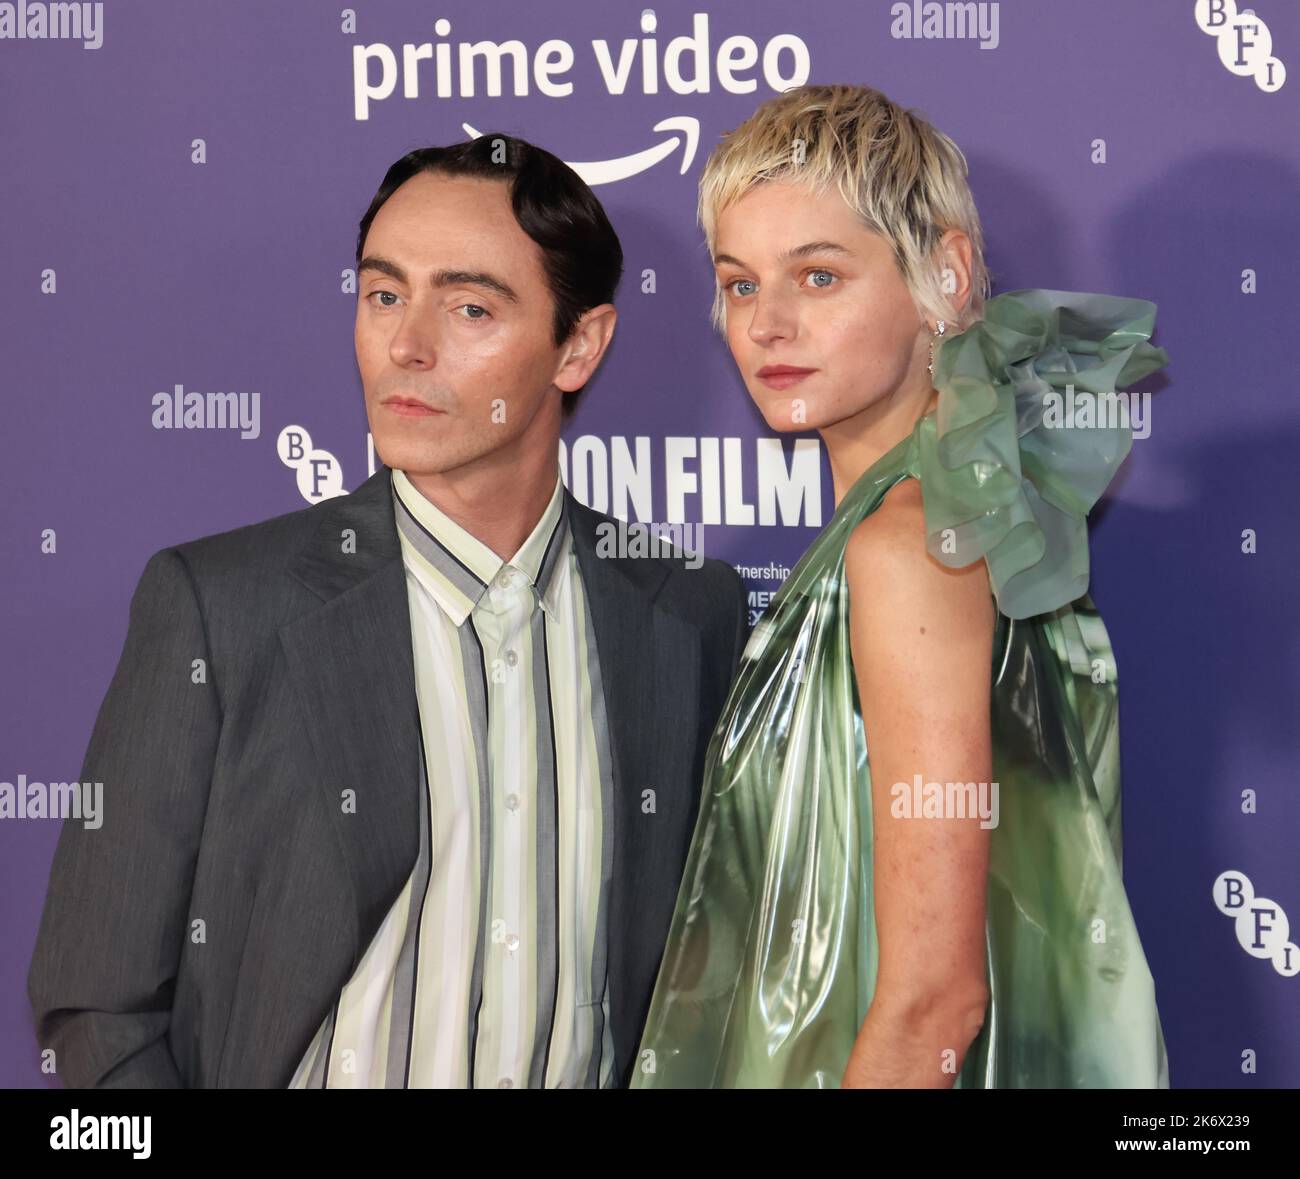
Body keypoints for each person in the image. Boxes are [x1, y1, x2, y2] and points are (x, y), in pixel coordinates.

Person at [27, 133, 748, 1088]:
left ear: (579, 345)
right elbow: (97, 1001)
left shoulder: (685, 616)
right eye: (382, 294)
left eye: (469, 307)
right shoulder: (221, 609)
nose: (407, 345)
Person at [631, 84, 1171, 1089]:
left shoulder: (910, 547)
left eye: (819, 276)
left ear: (946, 270)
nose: (768, 324)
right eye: (740, 284)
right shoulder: (965, 515)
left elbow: (935, 1000)